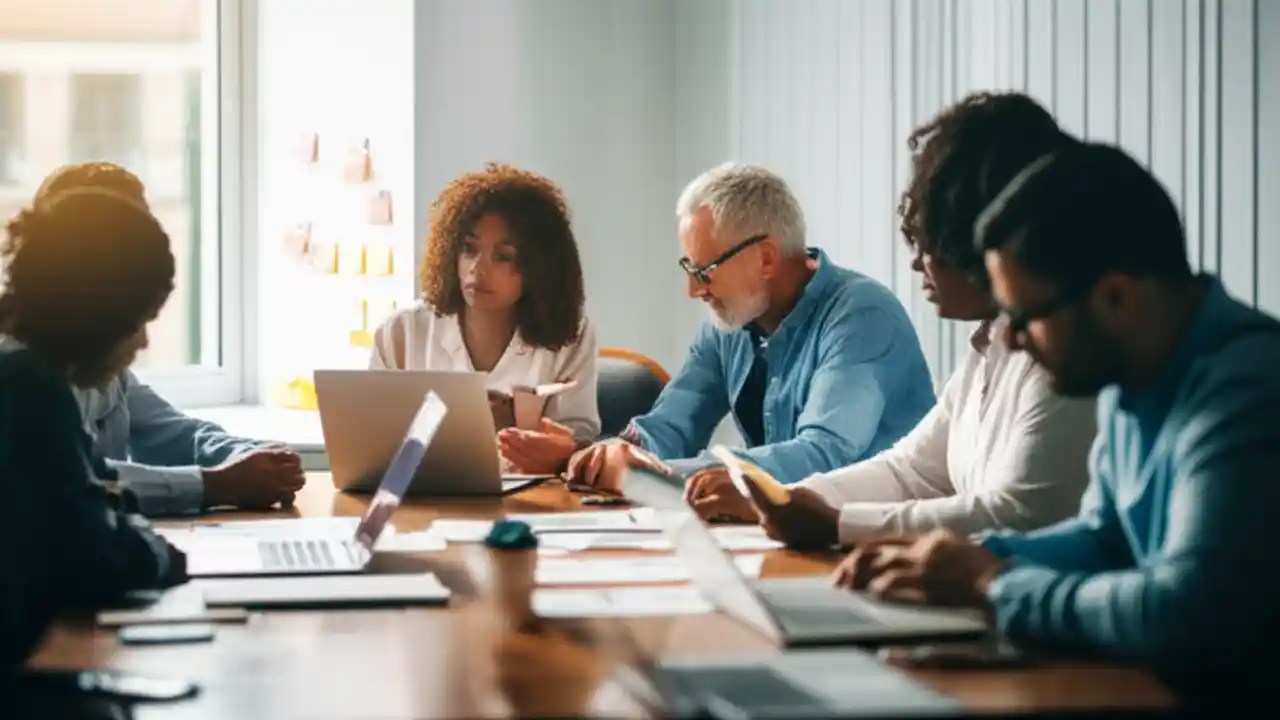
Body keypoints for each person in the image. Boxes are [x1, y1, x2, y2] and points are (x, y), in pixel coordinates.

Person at [833, 143, 1280, 697]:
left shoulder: (1247, 389)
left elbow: (1188, 614)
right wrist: (969, 559)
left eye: (1024, 317)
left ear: (1115, 295)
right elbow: (1105, 540)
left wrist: (996, 586)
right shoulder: (1131, 376)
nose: (1011, 340)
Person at [697, 94, 1096, 549]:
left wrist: (837, 524)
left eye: (932, 240)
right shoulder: (991, 344)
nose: (917, 263)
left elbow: (1018, 516)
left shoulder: (1064, 350)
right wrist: (787, 500)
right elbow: (910, 470)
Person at [568, 163, 934, 492]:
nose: (693, 290)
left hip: (877, 538)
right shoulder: (730, 322)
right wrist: (604, 455)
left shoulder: (862, 316)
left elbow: (822, 455)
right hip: (793, 531)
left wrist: (655, 474)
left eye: (704, 272)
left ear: (766, 258)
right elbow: (672, 425)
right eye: (689, 269)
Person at [28, 162, 305, 517]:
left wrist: (258, 459)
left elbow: (174, 434)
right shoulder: (26, 374)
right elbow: (77, 480)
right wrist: (217, 484)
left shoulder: (100, 360)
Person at [0, 188, 187, 663]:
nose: (143, 342)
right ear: (99, 313)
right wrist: (160, 552)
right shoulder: (29, 389)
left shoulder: (22, 374)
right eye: (139, 320)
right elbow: (92, 557)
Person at [370, 163, 599, 475]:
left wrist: (530, 439)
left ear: (540, 267)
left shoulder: (571, 334)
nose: (478, 269)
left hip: (532, 505)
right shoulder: (401, 332)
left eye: (503, 257)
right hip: (422, 501)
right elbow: (371, 444)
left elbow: (578, 443)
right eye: (468, 249)